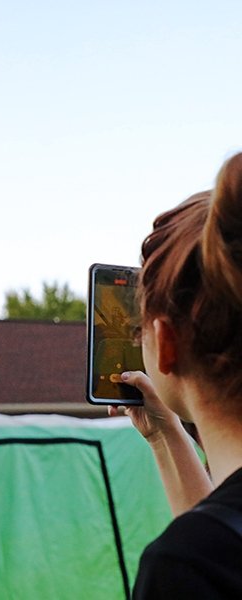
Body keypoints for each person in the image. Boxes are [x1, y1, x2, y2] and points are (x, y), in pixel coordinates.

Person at [109, 153, 242, 598]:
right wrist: (166, 436)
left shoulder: (185, 566)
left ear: (165, 343)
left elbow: (216, 547)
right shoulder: (203, 552)